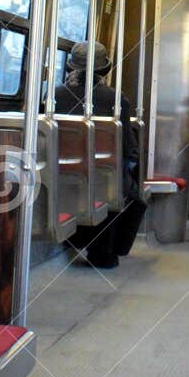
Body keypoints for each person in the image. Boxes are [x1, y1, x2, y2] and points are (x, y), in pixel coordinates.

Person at [55, 41, 146, 269]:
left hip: (60, 171)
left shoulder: (54, 96)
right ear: (104, 69)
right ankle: (105, 253)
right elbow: (127, 145)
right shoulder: (115, 100)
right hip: (102, 174)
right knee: (129, 194)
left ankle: (74, 240)